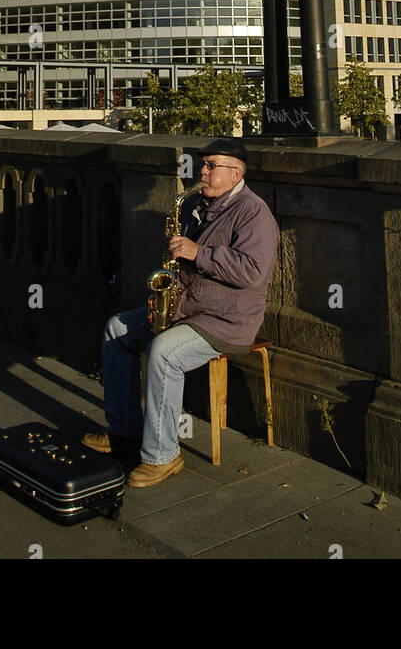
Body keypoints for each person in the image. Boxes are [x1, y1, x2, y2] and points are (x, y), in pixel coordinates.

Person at [83, 138, 279, 488]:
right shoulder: (195, 204)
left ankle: (163, 455)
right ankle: (124, 432)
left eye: (211, 166)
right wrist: (168, 290)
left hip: (227, 320)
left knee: (163, 352)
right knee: (116, 329)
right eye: (203, 165)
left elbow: (252, 271)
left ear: (235, 173)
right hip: (187, 309)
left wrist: (197, 252)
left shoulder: (254, 213)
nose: (202, 172)